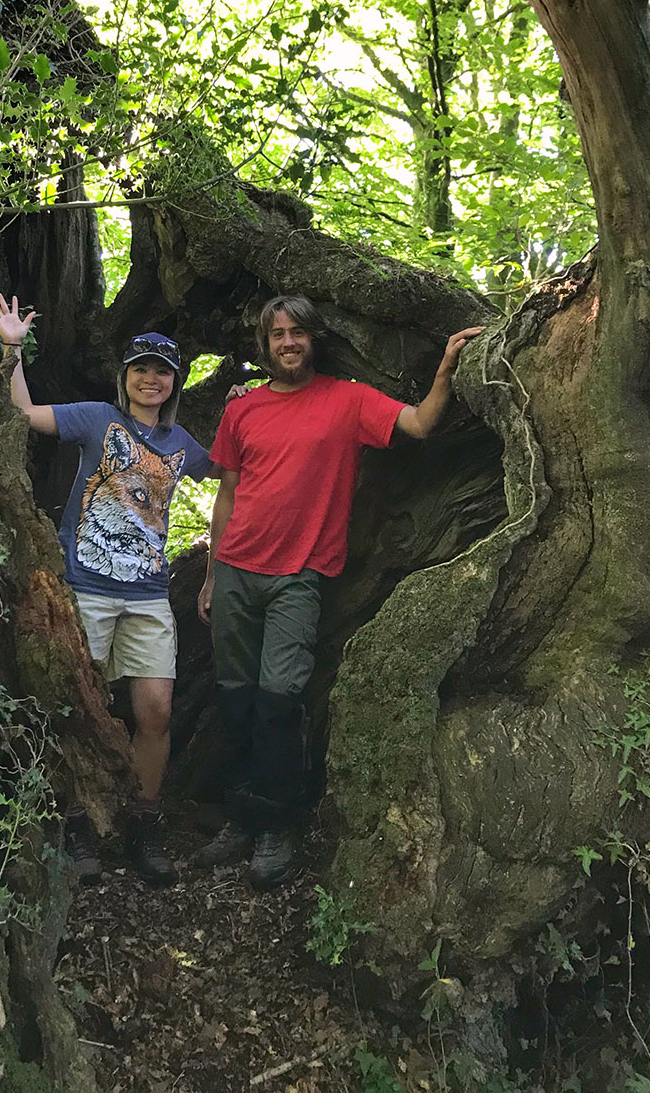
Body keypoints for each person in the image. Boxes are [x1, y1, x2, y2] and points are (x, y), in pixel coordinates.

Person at [195, 294, 483, 889]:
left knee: (280, 698)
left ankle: (277, 825)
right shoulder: (242, 411)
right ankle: (241, 819)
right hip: (235, 572)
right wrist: (212, 572)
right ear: (265, 344)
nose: (287, 343)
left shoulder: (347, 399)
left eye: (297, 333)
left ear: (313, 339)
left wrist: (447, 368)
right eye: (277, 334)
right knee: (236, 699)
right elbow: (227, 496)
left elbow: (421, 423)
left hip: (298, 576)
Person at [0, 294, 214, 887]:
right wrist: (13, 347)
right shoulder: (97, 418)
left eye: (162, 371)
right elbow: (23, 413)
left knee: (155, 711)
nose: (150, 379)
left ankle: (143, 823)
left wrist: (246, 405)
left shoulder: (182, 444)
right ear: (125, 377)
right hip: (85, 585)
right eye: (140, 368)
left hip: (147, 593)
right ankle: (77, 824)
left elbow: (233, 468)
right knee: (77, 707)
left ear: (175, 382)